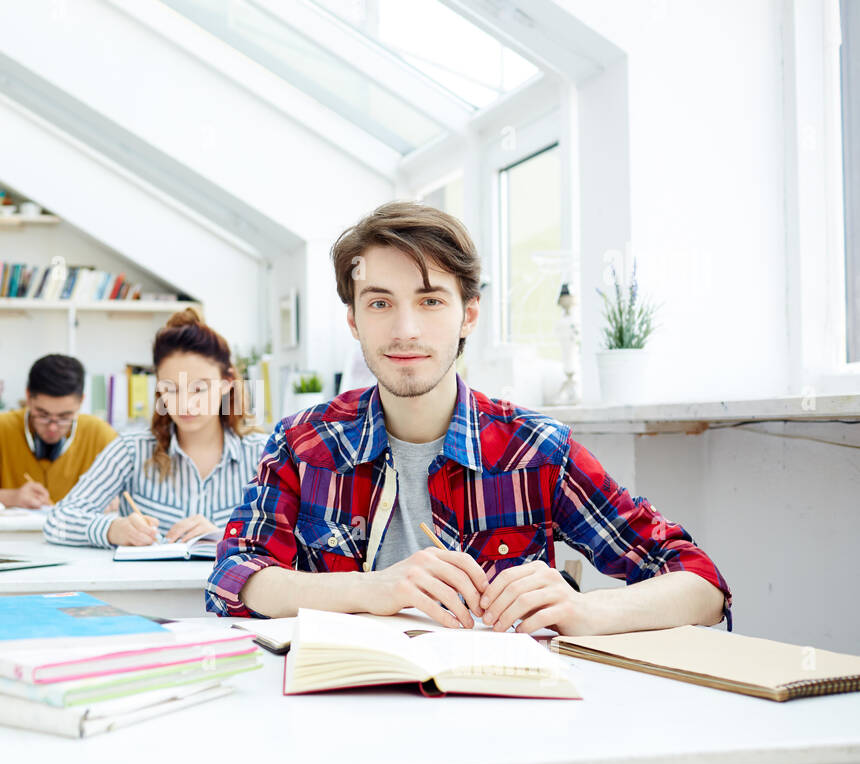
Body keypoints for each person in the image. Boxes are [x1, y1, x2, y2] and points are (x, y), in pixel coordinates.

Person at [205, 201, 731, 636]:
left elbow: (701, 583)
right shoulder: (303, 442)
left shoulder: (537, 449)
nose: (406, 330)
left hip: (498, 727)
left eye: (430, 300)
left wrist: (585, 610)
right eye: (380, 303)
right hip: (342, 721)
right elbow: (234, 575)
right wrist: (372, 590)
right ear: (354, 320)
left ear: (468, 315)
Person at [44, 309, 268, 548]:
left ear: (227, 384)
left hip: (231, 586)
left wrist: (225, 536)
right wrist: (111, 529)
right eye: (171, 389)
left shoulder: (262, 455)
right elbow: (58, 521)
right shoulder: (131, 450)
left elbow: (296, 540)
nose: (185, 403)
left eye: (199, 388)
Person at [0, 354, 117, 508]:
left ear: (81, 402)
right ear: (28, 397)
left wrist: (114, 503)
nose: (52, 427)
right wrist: (11, 497)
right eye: (43, 415)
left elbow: (130, 495)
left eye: (65, 417)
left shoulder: (102, 435)